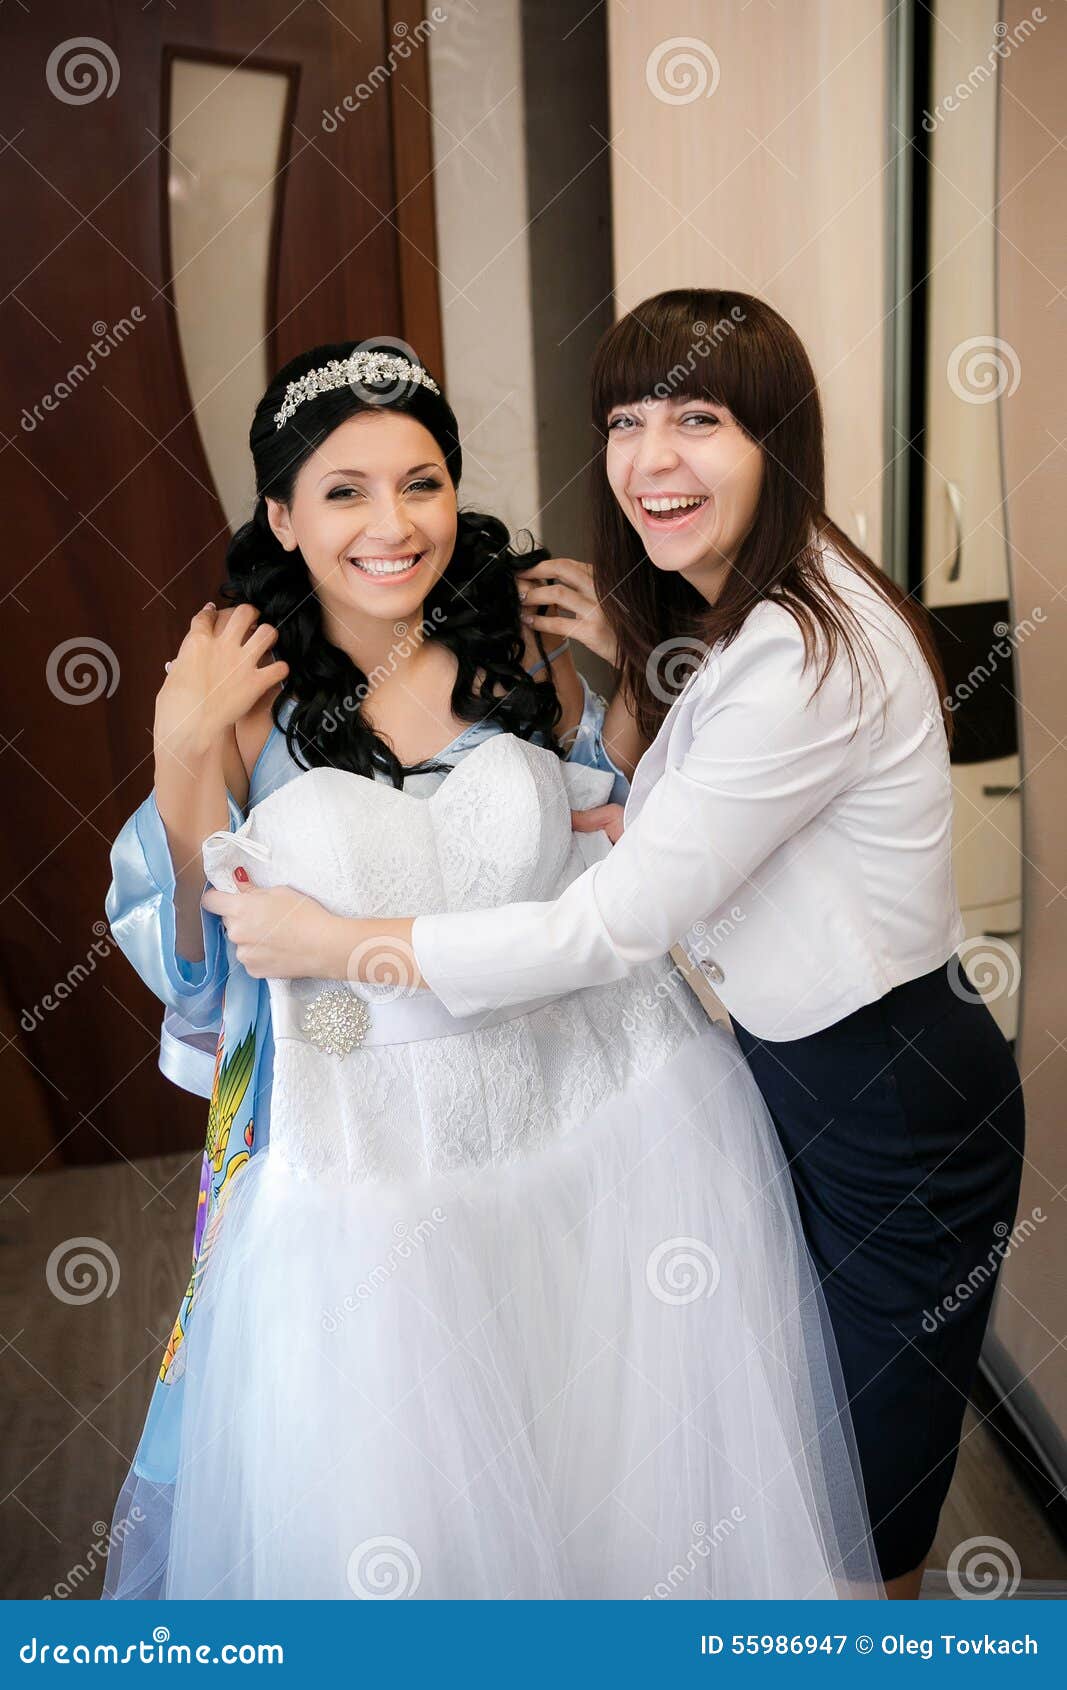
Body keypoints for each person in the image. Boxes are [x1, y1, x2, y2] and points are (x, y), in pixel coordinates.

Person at [255, 295, 1026, 1599]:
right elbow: (703, 816)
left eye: (698, 420)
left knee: (857, 1495)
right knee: (788, 1438)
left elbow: (610, 923)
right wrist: (636, 743)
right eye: (624, 421)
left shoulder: (788, 653)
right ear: (284, 518)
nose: (650, 458)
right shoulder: (748, 611)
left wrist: (341, 939)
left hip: (886, 1094)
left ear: (775, 441)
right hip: (795, 1068)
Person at [102, 338, 882, 1600]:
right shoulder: (239, 697)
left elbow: (606, 838)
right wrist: (179, 745)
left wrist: (630, 672)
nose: (392, 525)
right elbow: (198, 971)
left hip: (599, 1122)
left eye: (421, 483)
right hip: (373, 1153)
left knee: (613, 1480)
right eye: (344, 491)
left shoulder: (510, 645)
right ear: (282, 517)